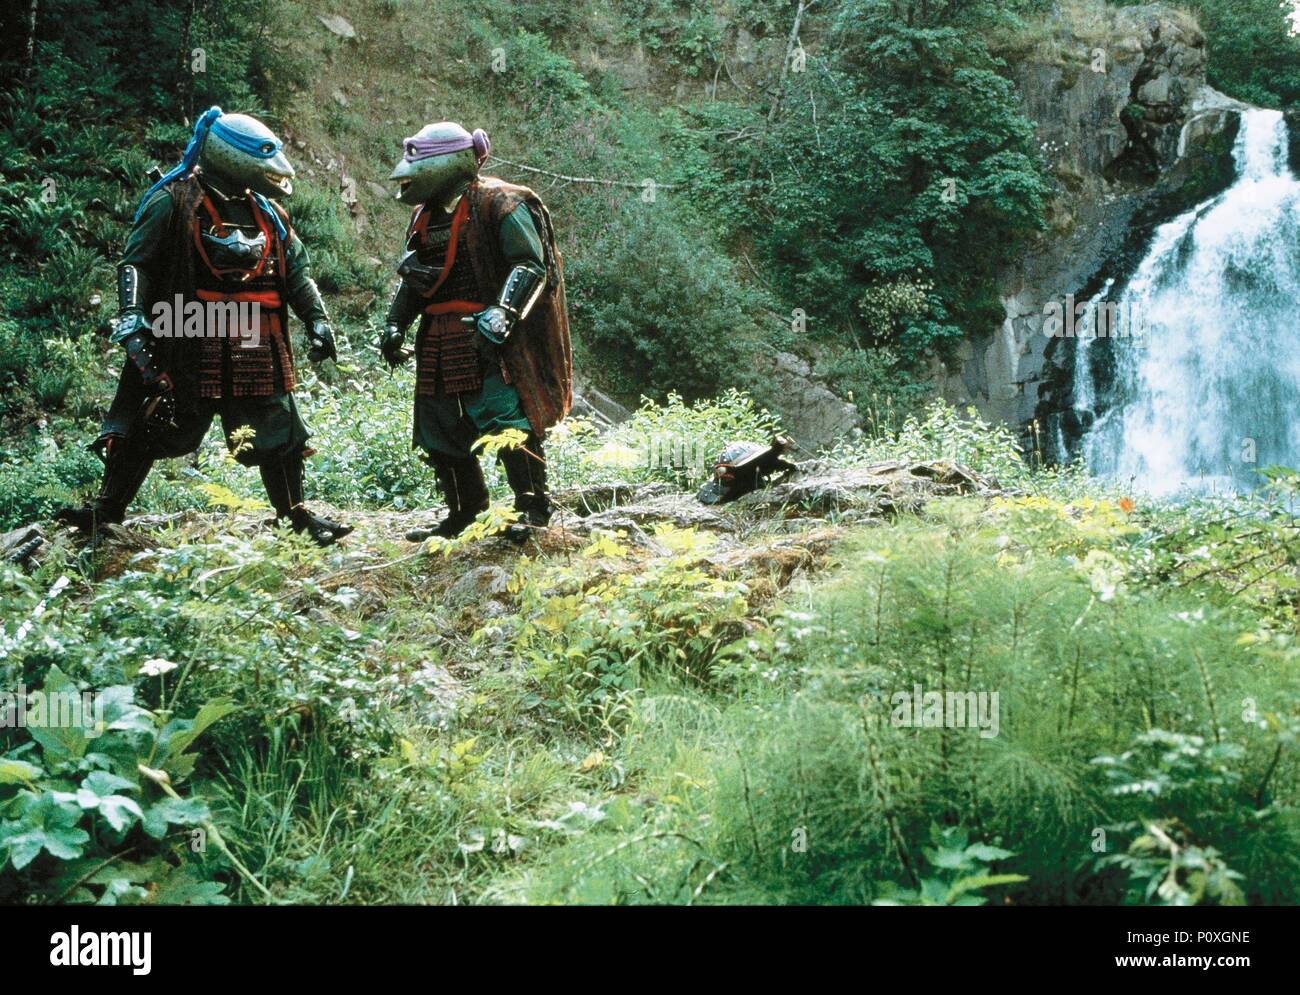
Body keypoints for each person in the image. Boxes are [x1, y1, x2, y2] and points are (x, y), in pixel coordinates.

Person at [56, 107, 352, 546]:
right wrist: (134, 319)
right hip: (186, 333)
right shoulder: (171, 201)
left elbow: (296, 272)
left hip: (255, 337)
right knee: (150, 422)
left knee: (278, 429)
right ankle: (106, 510)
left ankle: (294, 516)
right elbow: (136, 263)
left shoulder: (269, 213)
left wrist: (317, 319)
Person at [380, 121, 572, 543]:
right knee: (439, 427)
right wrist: (396, 323)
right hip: (437, 336)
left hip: (489, 338)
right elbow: (416, 276)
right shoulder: (423, 216)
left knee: (506, 419)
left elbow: (529, 264)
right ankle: (465, 511)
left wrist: (503, 313)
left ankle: (533, 507)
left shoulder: (500, 203)